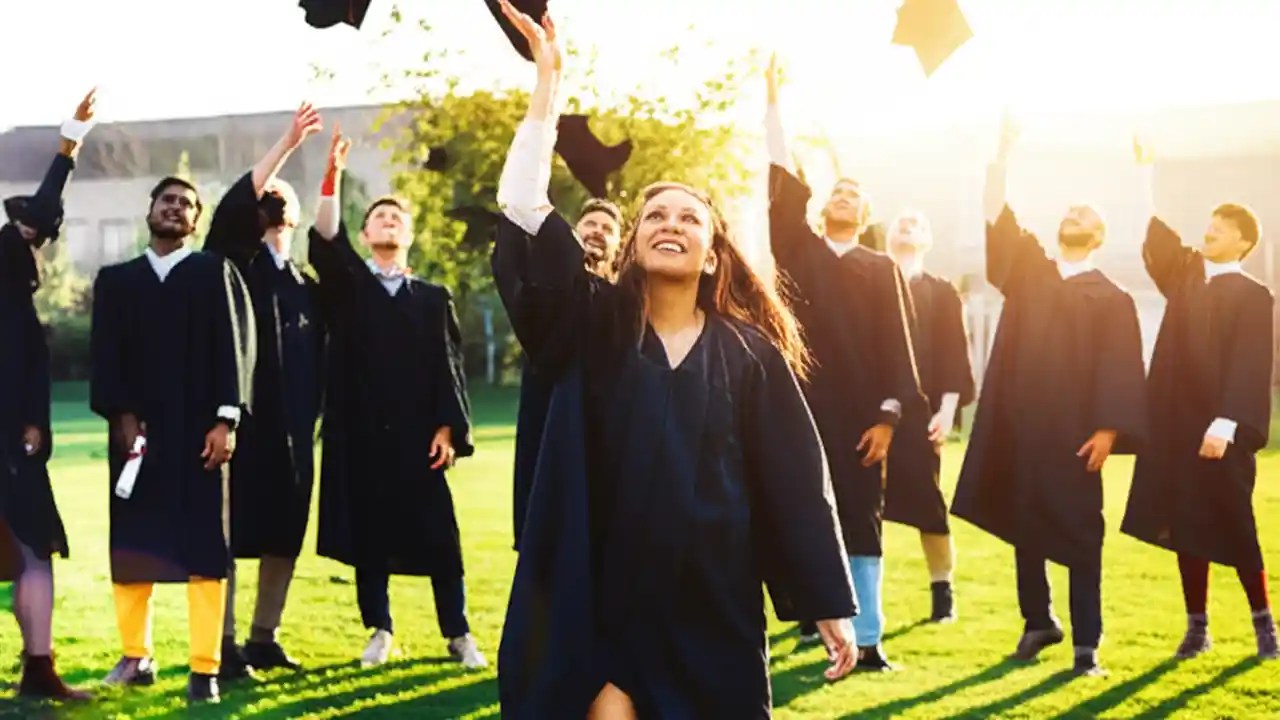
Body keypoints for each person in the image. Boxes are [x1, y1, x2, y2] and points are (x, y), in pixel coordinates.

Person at [493, 4, 856, 717]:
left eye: (690, 218)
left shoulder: (750, 355)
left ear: (712, 254)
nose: (670, 224)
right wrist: (547, 88)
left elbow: (794, 478)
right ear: (632, 246)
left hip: (710, 607)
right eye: (655, 215)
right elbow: (525, 208)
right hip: (598, 595)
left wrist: (825, 601)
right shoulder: (594, 326)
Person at [951, 113, 1147, 677]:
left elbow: (1120, 368)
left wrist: (1108, 430)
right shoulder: (1030, 271)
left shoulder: (1112, 298)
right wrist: (1001, 157)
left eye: (1085, 215)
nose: (1073, 216)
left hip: (1076, 434)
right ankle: (1038, 620)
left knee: (1082, 533)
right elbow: (996, 217)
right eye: (1069, 211)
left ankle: (1087, 643)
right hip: (1023, 426)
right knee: (1026, 523)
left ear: (1098, 236)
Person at [764, 55, 923, 670]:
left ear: (866, 214)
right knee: (795, 510)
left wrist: (888, 418)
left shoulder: (880, 269)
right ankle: (807, 616)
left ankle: (870, 637)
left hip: (859, 417)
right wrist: (774, 105)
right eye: (837, 191)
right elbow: (782, 179)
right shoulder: (798, 250)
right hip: (797, 408)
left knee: (861, 521)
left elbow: (898, 348)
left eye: (854, 195)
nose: (843, 197)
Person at [309, 125, 486, 670]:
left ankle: (458, 634)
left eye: (396, 217)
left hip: (419, 438)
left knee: (441, 539)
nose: (388, 221)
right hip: (362, 435)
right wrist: (332, 176)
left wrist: (448, 428)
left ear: (408, 235)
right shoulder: (348, 289)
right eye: (379, 217)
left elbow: (449, 367)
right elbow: (324, 239)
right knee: (371, 539)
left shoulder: (432, 298)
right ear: (364, 236)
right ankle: (380, 630)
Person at [90, 167, 256, 703]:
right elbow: (105, 358)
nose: (174, 207)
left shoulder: (214, 272)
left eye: (186, 202)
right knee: (133, 546)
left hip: (199, 435)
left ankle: (204, 669)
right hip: (137, 438)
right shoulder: (117, 281)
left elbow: (234, 349)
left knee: (205, 549)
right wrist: (121, 416)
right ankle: (135, 656)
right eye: (166, 199)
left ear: (196, 220)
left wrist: (226, 420)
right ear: (150, 211)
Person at [1120, 137, 1277, 660]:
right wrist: (1144, 175)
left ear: (1243, 242)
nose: (1210, 231)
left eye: (1222, 228)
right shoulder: (1187, 276)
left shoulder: (1254, 296)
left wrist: (1227, 423)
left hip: (1221, 429)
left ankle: (1264, 626)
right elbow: (1154, 235)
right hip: (1175, 425)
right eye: (1209, 224)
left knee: (1235, 523)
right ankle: (1197, 628)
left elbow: (1251, 364)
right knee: (1184, 526)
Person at [203, 103, 327, 679]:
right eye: (266, 196)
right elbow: (236, 206)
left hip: (295, 430)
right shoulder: (235, 266)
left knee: (285, 533)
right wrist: (287, 146)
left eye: (284, 196)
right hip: (241, 424)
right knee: (229, 534)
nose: (275, 199)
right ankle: (223, 642)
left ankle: (263, 638)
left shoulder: (307, 286)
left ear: (297, 218)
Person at [0, 89, 96, 702]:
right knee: (31, 548)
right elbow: (42, 206)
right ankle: (38, 668)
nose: (37, 235)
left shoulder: (15, 288)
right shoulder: (6, 254)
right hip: (9, 433)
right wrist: (69, 146)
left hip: (16, 432)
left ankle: (39, 668)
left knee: (32, 549)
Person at [494, 182, 624, 549]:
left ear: (619, 245)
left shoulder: (628, 304)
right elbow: (510, 263)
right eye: (589, 224)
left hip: (608, 434)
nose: (597, 231)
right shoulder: (547, 293)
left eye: (607, 228)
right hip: (551, 423)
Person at [882, 210, 975, 623]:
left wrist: (947, 411)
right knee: (853, 510)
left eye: (916, 224)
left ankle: (942, 591)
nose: (907, 226)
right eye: (900, 222)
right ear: (886, 237)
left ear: (928, 240)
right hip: (868, 415)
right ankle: (842, 602)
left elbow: (954, 355)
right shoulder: (869, 284)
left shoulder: (941, 292)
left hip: (921, 417)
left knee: (928, 506)